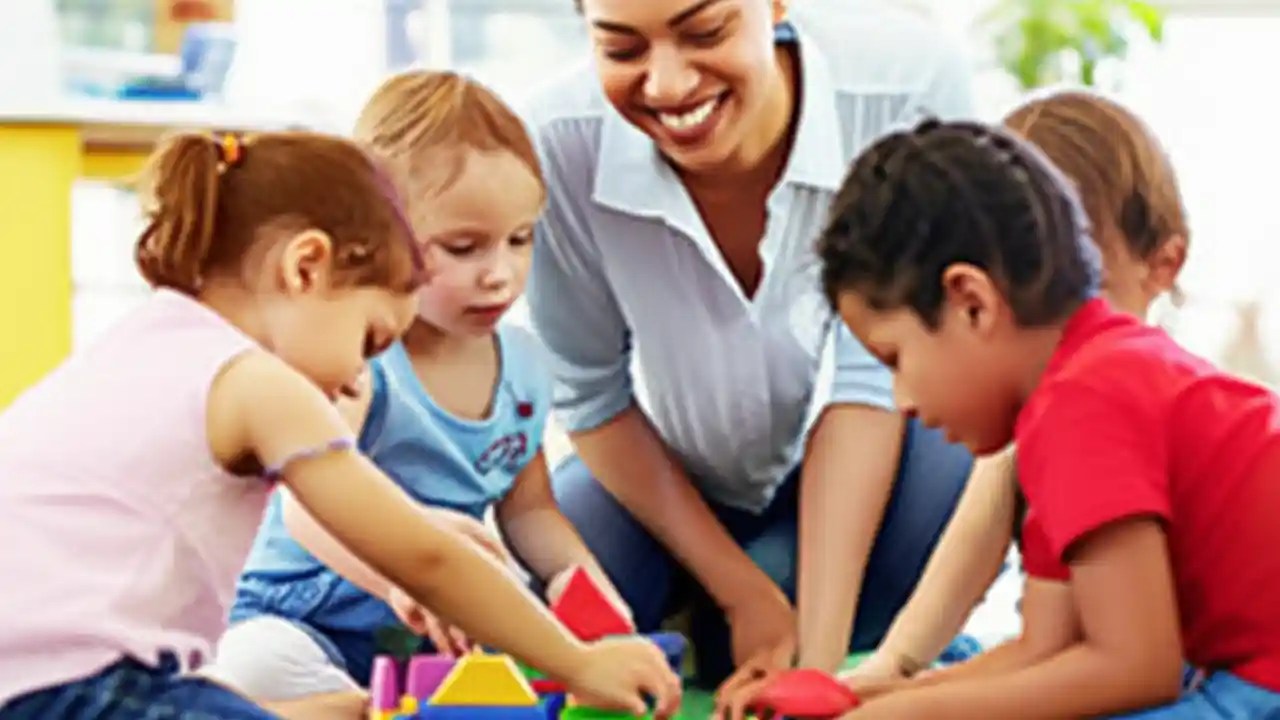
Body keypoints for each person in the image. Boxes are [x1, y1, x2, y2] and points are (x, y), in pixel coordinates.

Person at [0, 130, 680, 719]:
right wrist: (579, 663)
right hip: (61, 686)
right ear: (306, 267)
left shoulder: (140, 342)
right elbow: (424, 560)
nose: (358, 377)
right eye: (369, 339)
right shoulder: (257, 381)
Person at [520, 0, 976, 694]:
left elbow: (873, 379)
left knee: (962, 459)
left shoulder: (906, 86)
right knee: (565, 565)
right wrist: (743, 596)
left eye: (707, 32)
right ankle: (729, 613)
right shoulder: (556, 141)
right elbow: (590, 394)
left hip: (863, 478)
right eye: (621, 50)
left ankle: (845, 635)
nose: (668, 86)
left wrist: (815, 671)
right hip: (670, 482)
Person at [816, 117, 1280, 719]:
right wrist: (894, 695)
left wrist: (918, 714)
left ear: (972, 302)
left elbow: (1137, 669)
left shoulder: (1085, 401)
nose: (901, 399)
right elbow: (1049, 648)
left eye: (895, 359)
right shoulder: (1083, 379)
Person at [207, 70, 634, 701]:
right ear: (379, 241)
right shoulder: (356, 362)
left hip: (441, 631)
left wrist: (584, 589)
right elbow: (305, 508)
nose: (501, 274)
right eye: (463, 248)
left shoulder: (523, 366)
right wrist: (400, 578)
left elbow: (531, 509)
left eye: (520, 240)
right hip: (301, 612)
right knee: (252, 669)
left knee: (538, 664)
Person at [843, 89, 1194, 692]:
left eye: (1082, 286)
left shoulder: (1128, 395)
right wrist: (893, 668)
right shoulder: (1041, 418)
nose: (1039, 318)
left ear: (1161, 266)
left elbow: (1135, 663)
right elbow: (974, 548)